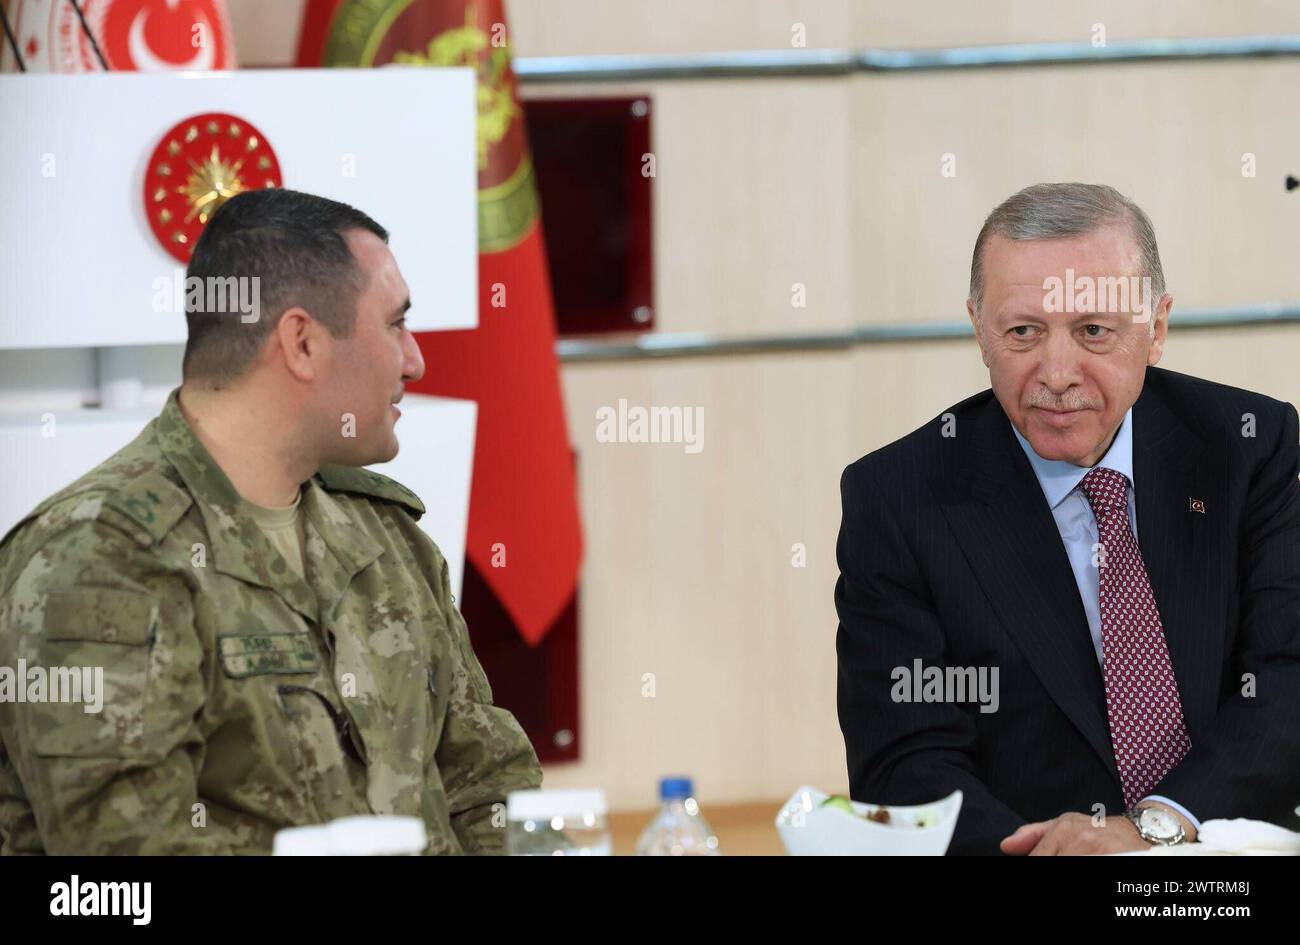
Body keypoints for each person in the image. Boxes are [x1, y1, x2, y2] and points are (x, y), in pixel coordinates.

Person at [0, 188, 541, 854]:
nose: (415, 360)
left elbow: (486, 786)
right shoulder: (99, 560)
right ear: (302, 342)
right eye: (395, 325)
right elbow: (126, 863)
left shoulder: (387, 535)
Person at [836, 182, 1300, 855]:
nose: (1057, 374)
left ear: (1156, 328)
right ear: (979, 329)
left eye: (1093, 331)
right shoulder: (899, 498)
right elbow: (903, 758)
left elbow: (1287, 678)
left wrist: (1153, 830)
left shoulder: (1250, 446)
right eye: (1023, 331)